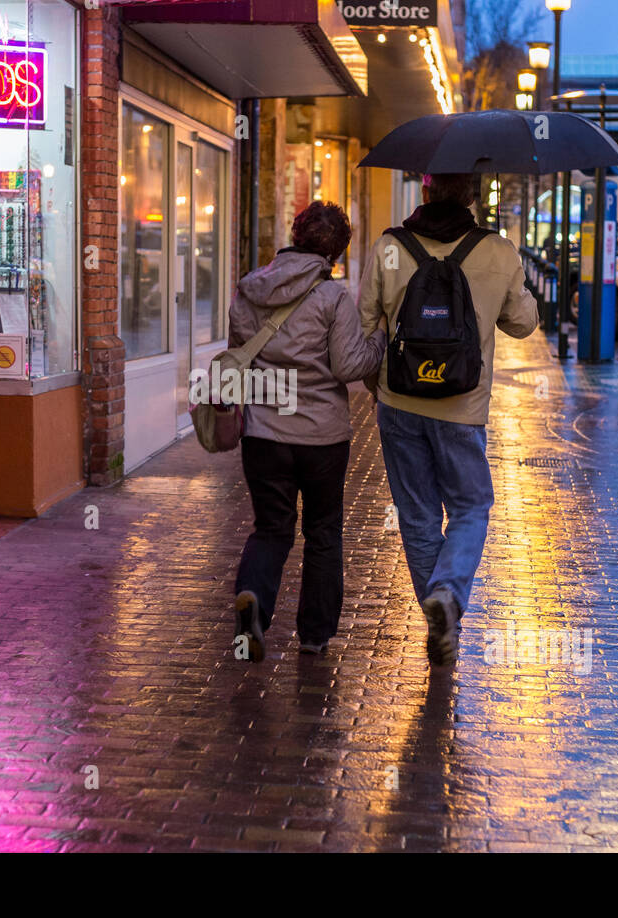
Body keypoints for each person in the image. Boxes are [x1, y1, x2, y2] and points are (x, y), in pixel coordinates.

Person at [358, 173, 539, 666]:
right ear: (474, 196)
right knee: (470, 507)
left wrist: (372, 382)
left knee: (417, 516)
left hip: (400, 402)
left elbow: (365, 321)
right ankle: (448, 593)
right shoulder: (499, 251)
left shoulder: (389, 248)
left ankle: (438, 610)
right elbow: (523, 323)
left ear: (424, 192)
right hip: (463, 408)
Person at [230, 201, 386, 661]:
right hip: (321, 438)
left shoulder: (250, 288)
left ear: (295, 233)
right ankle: (315, 636)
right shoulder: (333, 296)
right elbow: (349, 364)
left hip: (262, 433)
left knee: (271, 528)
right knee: (322, 531)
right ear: (337, 250)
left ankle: (254, 600)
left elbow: (238, 352)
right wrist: (378, 342)